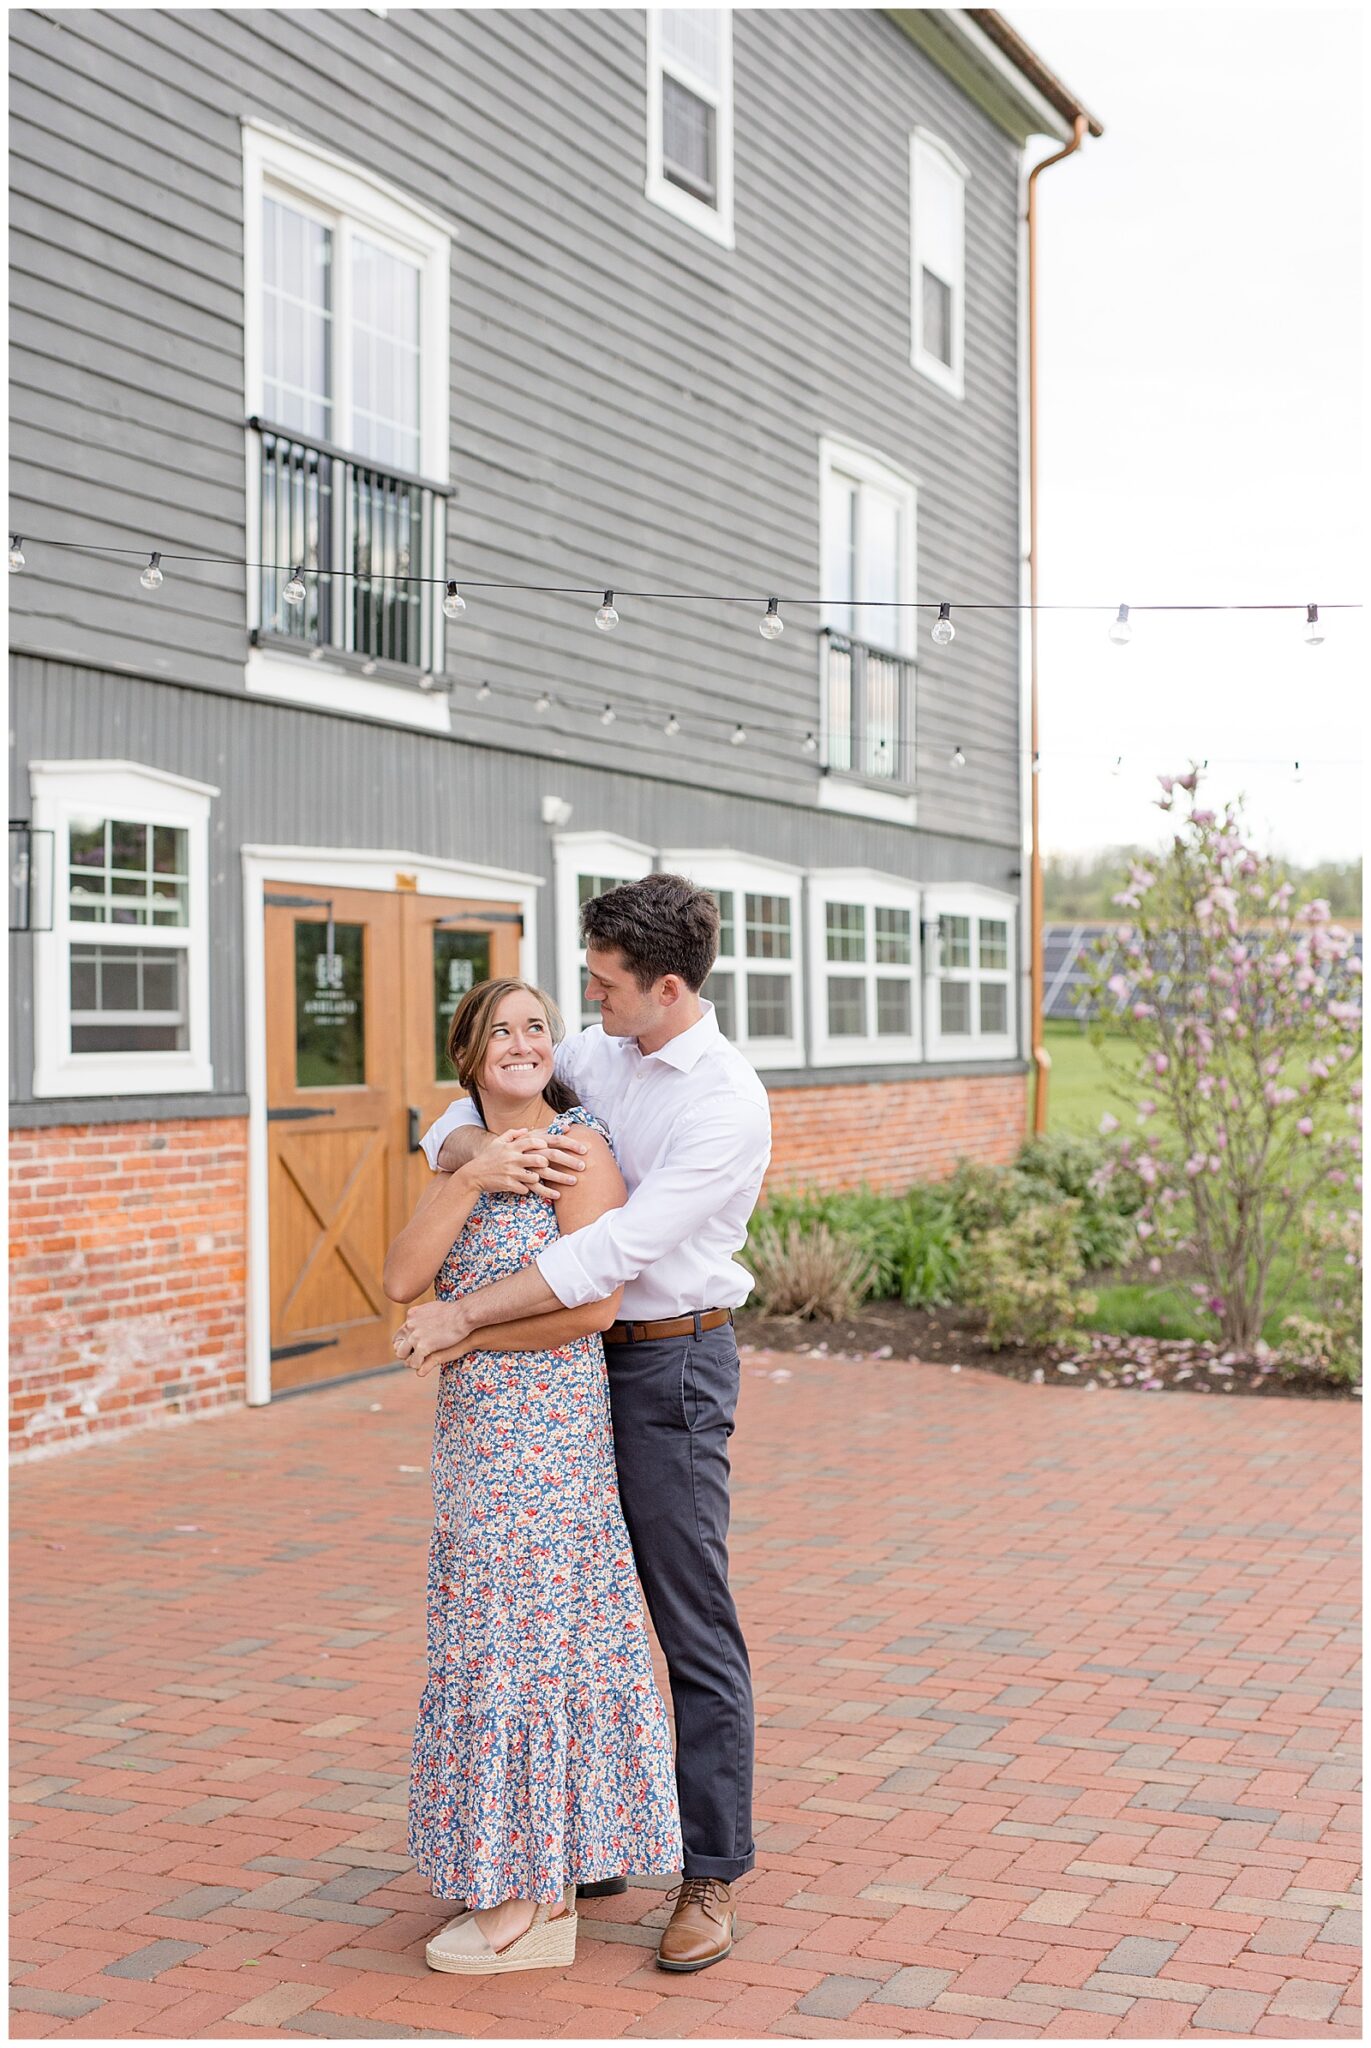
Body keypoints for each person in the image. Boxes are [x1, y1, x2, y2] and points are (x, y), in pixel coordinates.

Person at [394, 872, 772, 1973]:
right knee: (578, 1603)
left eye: (603, 986)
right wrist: (466, 1157)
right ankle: (584, 1834)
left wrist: (459, 1314)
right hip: (567, 1375)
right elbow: (475, 1101)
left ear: (662, 987)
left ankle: (710, 1871)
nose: (586, 1003)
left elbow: (606, 1258)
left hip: (670, 1366)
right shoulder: (600, 1051)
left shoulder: (724, 1101)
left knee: (682, 1614)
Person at [385, 976, 682, 1977]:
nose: (523, 1041)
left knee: (531, 1644)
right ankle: (510, 1866)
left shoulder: (577, 1148)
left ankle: (536, 1895)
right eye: (501, 1029)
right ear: (467, 1054)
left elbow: (594, 1306)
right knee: (484, 1637)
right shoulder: (465, 1150)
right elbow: (395, 1278)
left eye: (538, 1027)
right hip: (473, 1440)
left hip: (548, 1434)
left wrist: (465, 1329)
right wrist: (469, 1173)